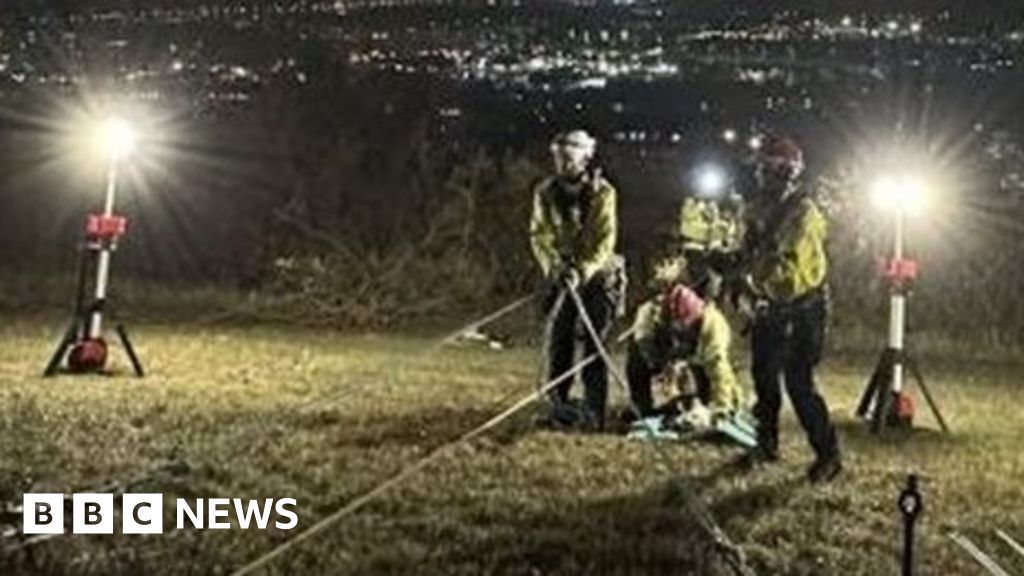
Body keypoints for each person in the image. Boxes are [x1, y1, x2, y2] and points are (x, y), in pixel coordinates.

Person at [738, 134, 842, 483]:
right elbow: (748, 250)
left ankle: (828, 455)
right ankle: (764, 443)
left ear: (786, 172)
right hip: (770, 304)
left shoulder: (804, 213)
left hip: (804, 306)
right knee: (763, 377)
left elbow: (783, 264)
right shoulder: (754, 208)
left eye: (767, 169)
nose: (760, 176)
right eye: (760, 169)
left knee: (799, 383)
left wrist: (747, 270)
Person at [530, 130, 620, 431]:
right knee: (560, 341)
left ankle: (595, 413)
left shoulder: (602, 193)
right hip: (562, 275)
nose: (565, 163)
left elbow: (605, 240)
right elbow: (539, 234)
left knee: (595, 345)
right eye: (560, 157)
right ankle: (559, 406)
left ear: (585, 157)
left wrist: (583, 270)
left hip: (598, 277)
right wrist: (554, 266)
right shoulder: (545, 192)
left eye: (571, 157)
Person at [626, 284, 743, 429]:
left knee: (712, 387)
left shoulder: (714, 328)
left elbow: (719, 371)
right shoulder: (649, 316)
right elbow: (643, 343)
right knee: (637, 361)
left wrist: (722, 408)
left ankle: (716, 403)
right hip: (661, 345)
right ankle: (641, 406)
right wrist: (661, 365)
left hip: (699, 352)